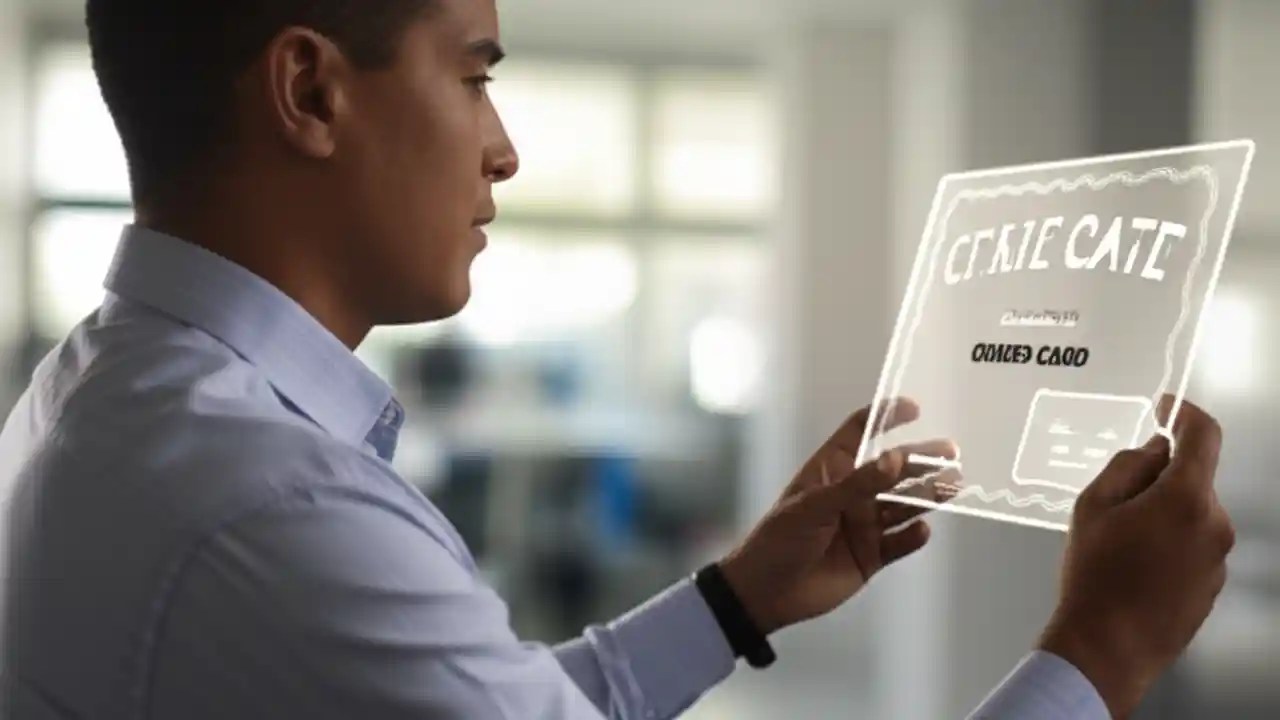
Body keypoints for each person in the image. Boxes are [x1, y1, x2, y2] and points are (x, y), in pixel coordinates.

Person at [0, 1, 1235, 718]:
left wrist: (731, 602)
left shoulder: (93, 395)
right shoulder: (271, 511)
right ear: (312, 91)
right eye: (474, 76)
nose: (504, 150)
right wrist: (1100, 649)